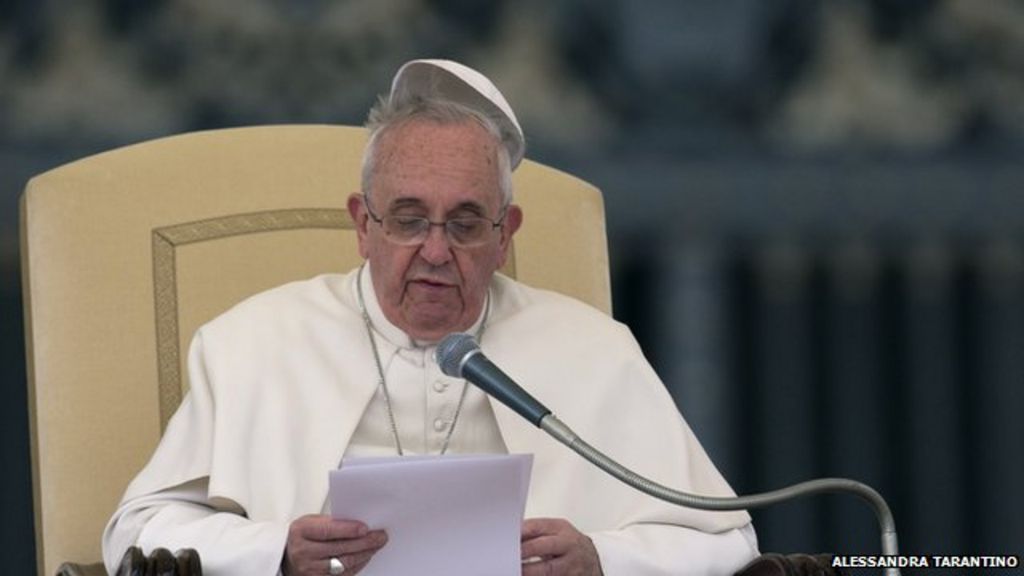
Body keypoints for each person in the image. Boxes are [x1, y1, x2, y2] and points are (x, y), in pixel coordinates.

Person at [102, 59, 759, 576]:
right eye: (410, 219)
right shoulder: (252, 341)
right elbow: (134, 534)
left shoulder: (595, 351)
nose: (437, 252)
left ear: (507, 235)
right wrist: (276, 553)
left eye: (467, 223)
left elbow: (729, 540)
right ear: (364, 225)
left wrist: (602, 561)